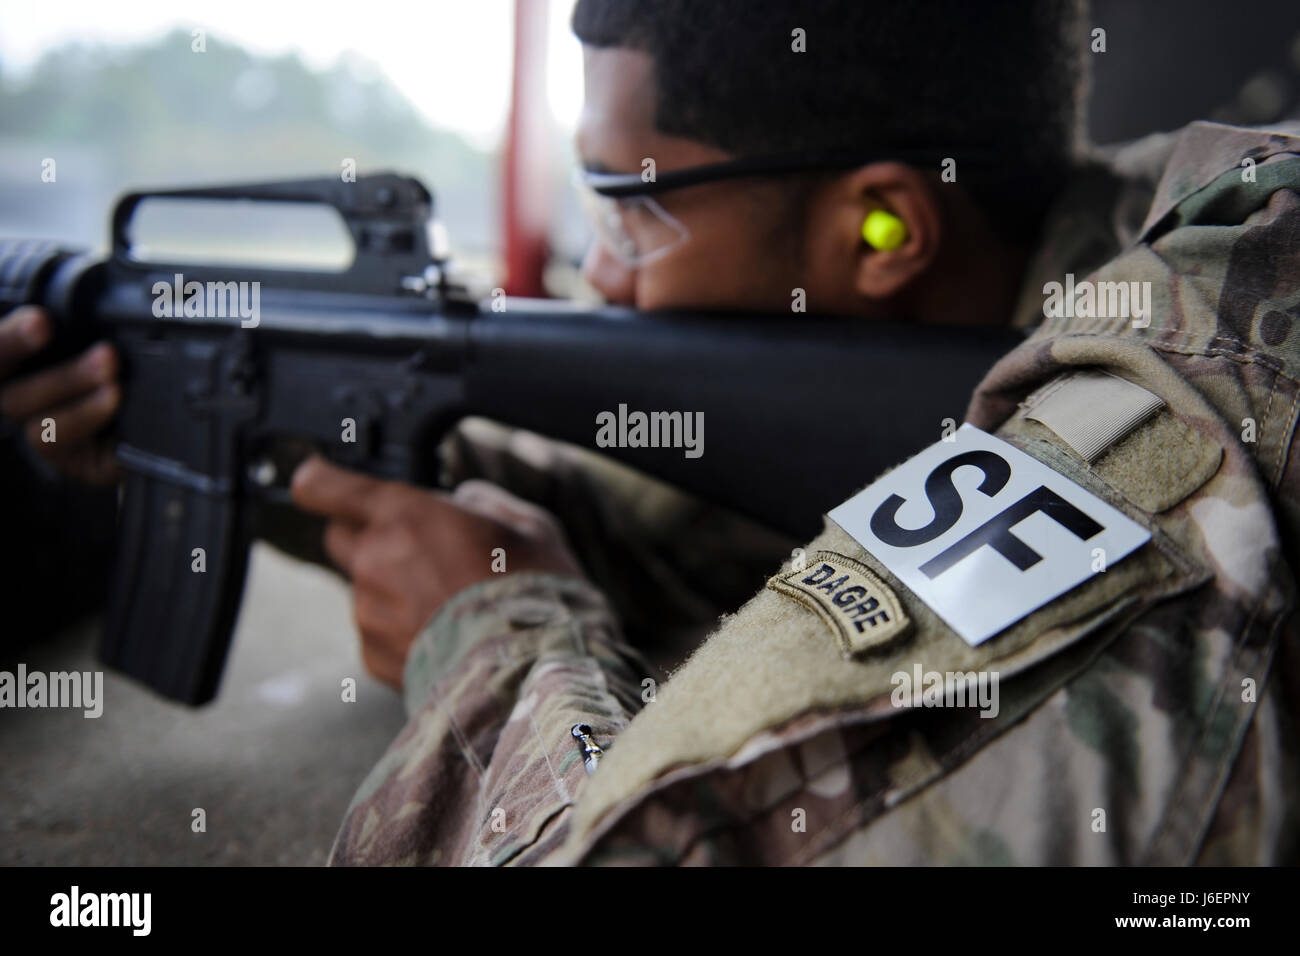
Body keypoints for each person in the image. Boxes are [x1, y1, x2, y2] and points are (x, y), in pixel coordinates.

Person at [2, 0, 1297, 865]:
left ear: (881, 228)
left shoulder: (1189, 371)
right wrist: (236, 436)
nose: (602, 274)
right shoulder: (1063, 266)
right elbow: (680, 521)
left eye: (629, 208)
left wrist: (491, 639)